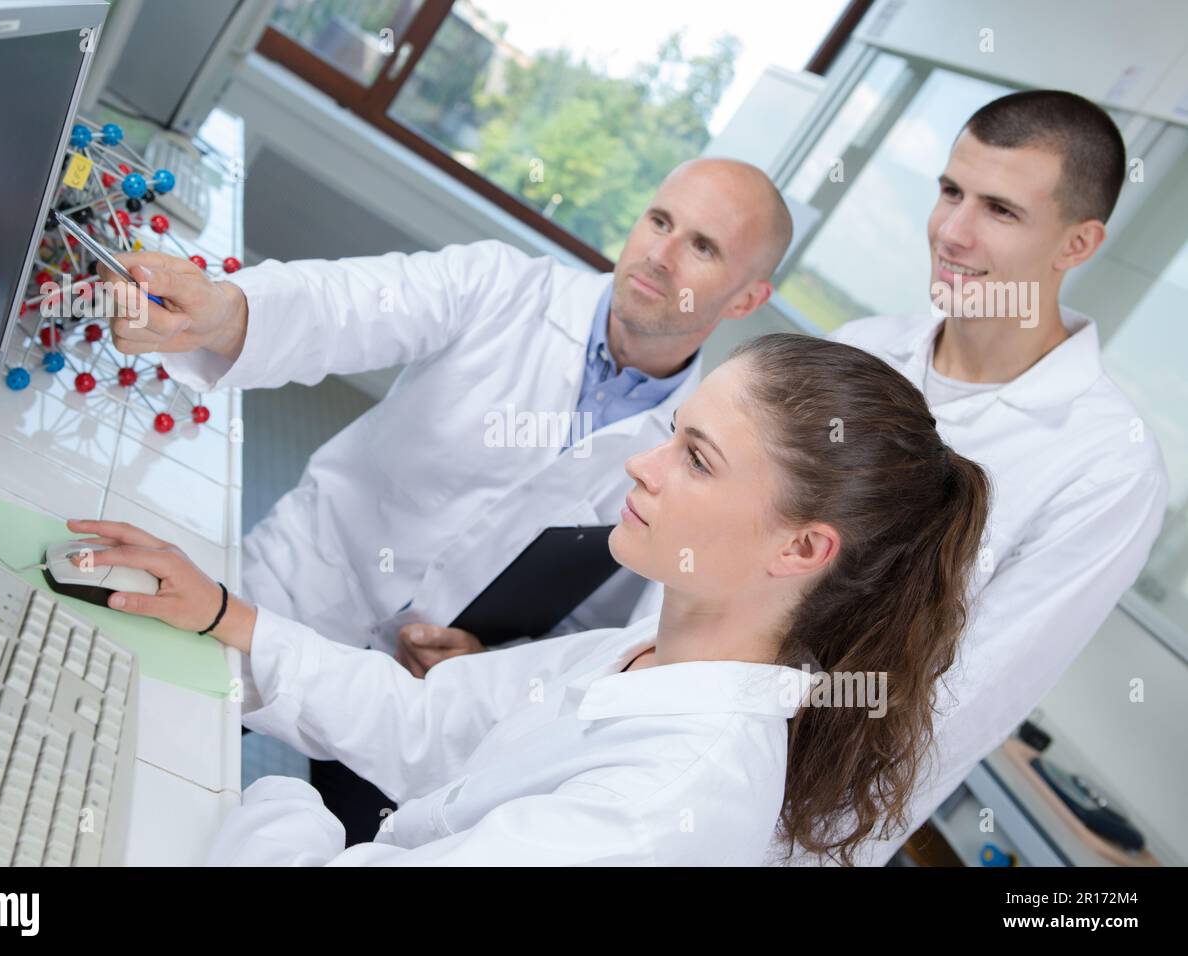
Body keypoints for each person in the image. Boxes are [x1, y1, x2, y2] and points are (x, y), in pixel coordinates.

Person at [65, 333, 990, 865]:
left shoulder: (669, 797)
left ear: (801, 548)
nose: (641, 463)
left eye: (696, 459)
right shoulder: (645, 652)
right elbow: (429, 726)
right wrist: (228, 616)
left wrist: (285, 809)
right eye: (673, 432)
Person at [99, 158, 793, 842]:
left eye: (702, 246)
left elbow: (619, 627)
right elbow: (349, 304)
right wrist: (227, 310)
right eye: (659, 220)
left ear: (745, 300)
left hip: (433, 697)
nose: (661, 256)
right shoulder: (501, 287)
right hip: (299, 588)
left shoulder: (703, 457)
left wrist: (496, 657)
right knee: (121, 740)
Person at [758, 90, 1168, 865]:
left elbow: (964, 701)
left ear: (1077, 243)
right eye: (950, 191)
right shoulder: (862, 350)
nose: (952, 231)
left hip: (795, 817)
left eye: (1001, 211)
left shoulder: (1106, 465)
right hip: (669, 721)